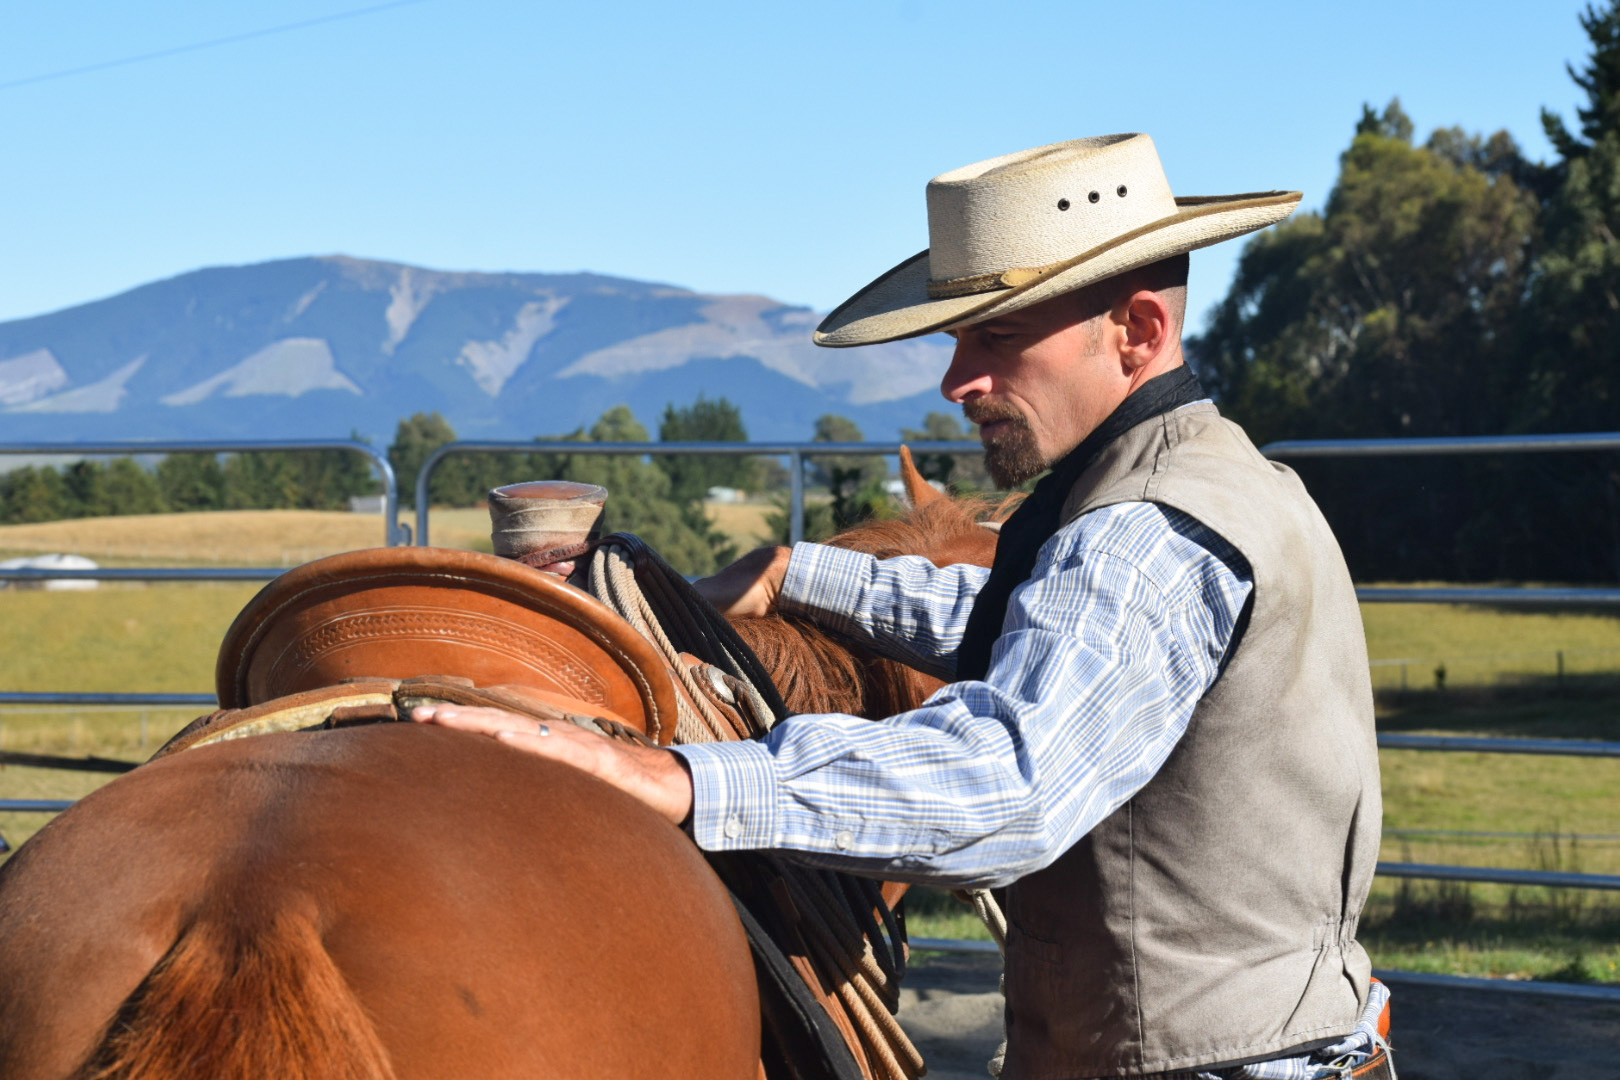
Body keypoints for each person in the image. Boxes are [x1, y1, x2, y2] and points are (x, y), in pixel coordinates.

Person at [415, 135, 1391, 1080]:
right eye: (959, 335)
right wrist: (798, 574)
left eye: (999, 336)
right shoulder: (1213, 480)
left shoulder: (1140, 533)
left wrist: (686, 779)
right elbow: (1048, 628)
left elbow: (1013, 780)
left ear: (1136, 331)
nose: (957, 378)